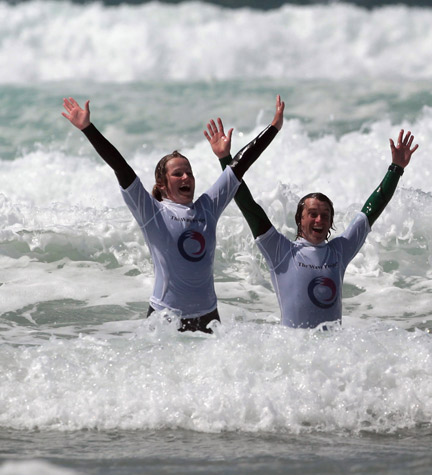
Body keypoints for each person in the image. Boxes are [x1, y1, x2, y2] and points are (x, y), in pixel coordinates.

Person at [61, 96, 284, 333]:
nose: (186, 177)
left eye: (189, 172)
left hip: (208, 318)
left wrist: (273, 128)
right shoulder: (151, 211)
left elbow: (240, 165)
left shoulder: (207, 207)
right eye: (178, 174)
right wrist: (88, 128)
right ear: (162, 182)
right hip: (165, 318)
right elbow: (121, 166)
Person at [203, 113, 418, 328]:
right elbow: (247, 204)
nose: (319, 220)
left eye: (325, 216)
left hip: (333, 353)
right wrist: (225, 159)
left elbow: (372, 210)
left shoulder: (339, 251)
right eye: (313, 214)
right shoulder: (280, 250)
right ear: (299, 219)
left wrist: (396, 168)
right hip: (295, 352)